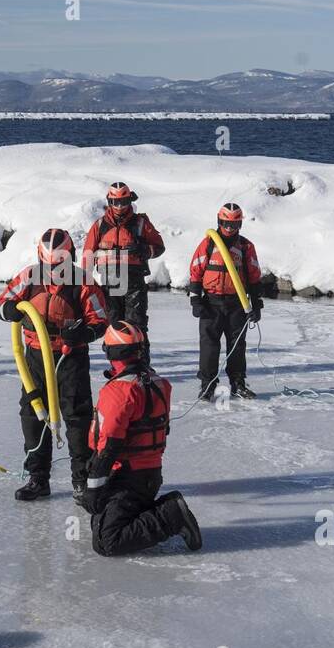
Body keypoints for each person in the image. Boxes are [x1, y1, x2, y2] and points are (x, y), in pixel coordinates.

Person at [0, 228, 108, 503]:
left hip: (71, 359)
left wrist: (84, 333)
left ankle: (81, 481)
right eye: (48, 265)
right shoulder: (28, 277)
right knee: (33, 416)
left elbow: (101, 320)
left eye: (58, 265)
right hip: (35, 358)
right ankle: (38, 479)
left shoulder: (82, 282)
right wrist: (10, 310)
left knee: (77, 419)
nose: (53, 271)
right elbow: (2, 302)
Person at [84, 322, 201, 555]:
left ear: (112, 352)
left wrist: (94, 487)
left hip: (127, 477)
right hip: (149, 475)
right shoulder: (158, 383)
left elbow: (109, 447)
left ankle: (171, 514)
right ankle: (159, 510)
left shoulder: (119, 392)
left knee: (107, 542)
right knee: (98, 523)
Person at [188, 202, 263, 400]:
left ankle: (237, 383)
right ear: (219, 222)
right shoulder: (209, 244)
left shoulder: (246, 247)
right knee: (209, 346)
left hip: (237, 304)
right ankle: (207, 385)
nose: (229, 228)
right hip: (211, 304)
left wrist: (256, 305)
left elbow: (254, 277)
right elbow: (195, 273)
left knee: (237, 346)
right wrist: (195, 301)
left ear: (240, 225)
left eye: (234, 224)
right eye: (225, 223)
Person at [81, 182, 164, 355]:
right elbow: (87, 254)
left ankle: (141, 365)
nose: (120, 206)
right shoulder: (99, 225)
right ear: (109, 202)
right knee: (113, 327)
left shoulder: (141, 223)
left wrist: (144, 250)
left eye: (123, 202)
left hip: (134, 284)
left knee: (136, 326)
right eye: (115, 202)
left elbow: (159, 246)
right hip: (109, 285)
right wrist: (86, 283)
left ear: (129, 200)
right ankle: (116, 366)